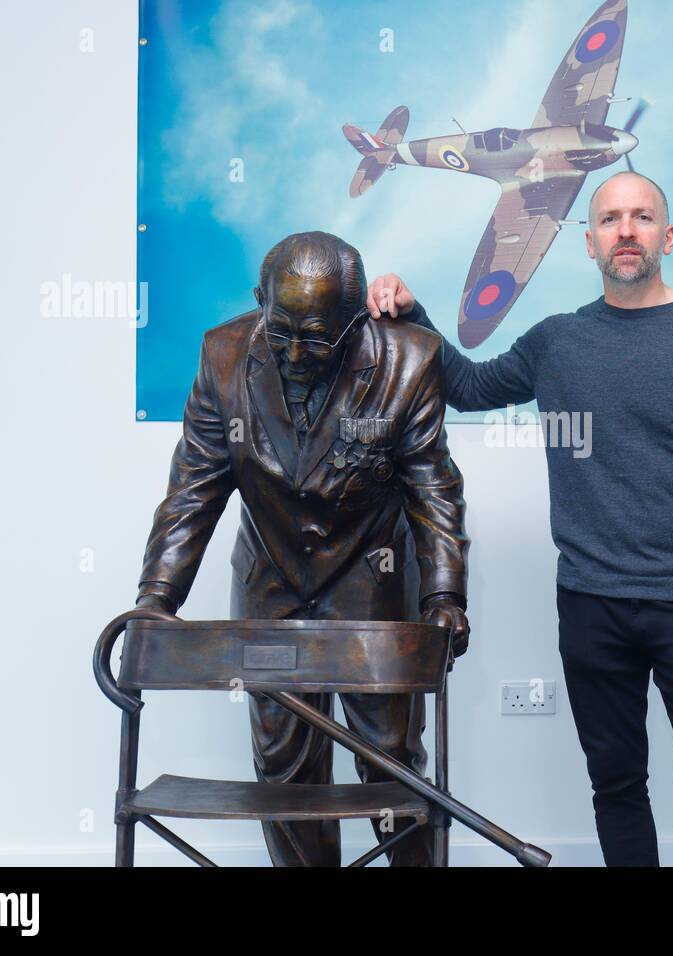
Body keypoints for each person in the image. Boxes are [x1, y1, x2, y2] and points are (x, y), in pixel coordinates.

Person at [366, 171, 673, 867]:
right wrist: (414, 315)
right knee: (617, 787)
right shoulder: (557, 342)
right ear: (589, 243)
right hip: (592, 607)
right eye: (611, 220)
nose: (627, 231)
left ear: (668, 235)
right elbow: (469, 387)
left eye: (643, 217)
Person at [135, 230, 470, 866]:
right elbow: (192, 491)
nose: (292, 351)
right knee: (284, 769)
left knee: (391, 764)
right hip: (272, 581)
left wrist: (445, 595)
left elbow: (435, 491)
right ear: (260, 301)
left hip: (371, 579)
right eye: (279, 328)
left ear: (355, 320)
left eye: (315, 337)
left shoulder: (409, 358)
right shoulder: (223, 355)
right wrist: (155, 601)